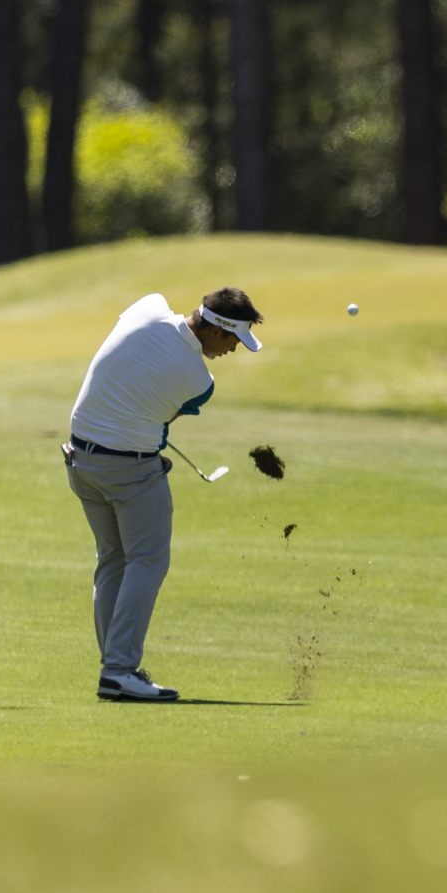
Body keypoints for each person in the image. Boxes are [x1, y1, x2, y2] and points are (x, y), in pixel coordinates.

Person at [65, 288, 265, 701]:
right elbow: (164, 420)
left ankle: (117, 668)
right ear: (216, 331)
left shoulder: (149, 306)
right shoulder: (199, 381)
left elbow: (133, 367)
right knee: (148, 561)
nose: (232, 351)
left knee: (113, 560)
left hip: (81, 459)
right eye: (232, 341)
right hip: (129, 469)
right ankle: (119, 670)